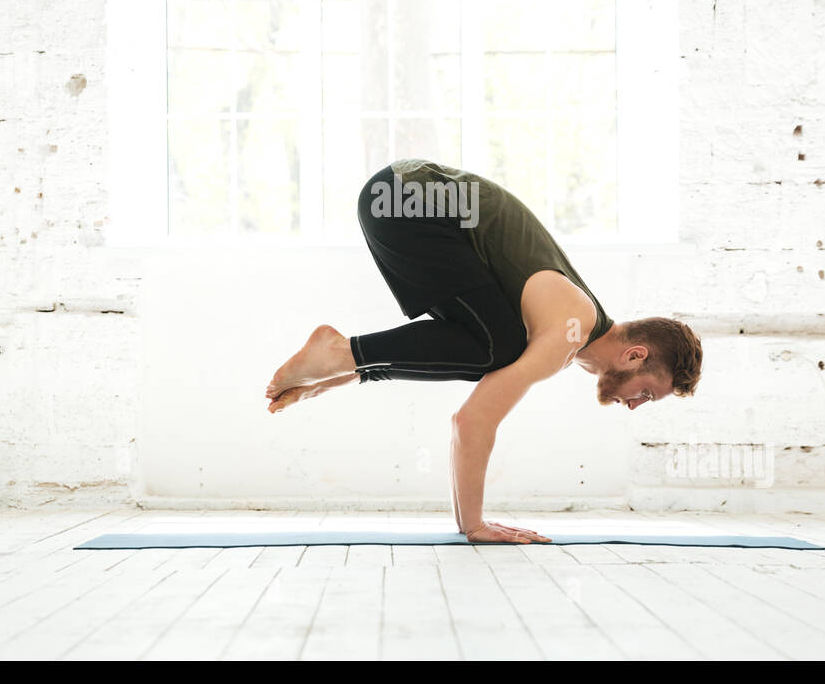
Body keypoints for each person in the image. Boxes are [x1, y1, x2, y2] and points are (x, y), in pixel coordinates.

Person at [264, 159, 702, 544]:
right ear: (635, 356)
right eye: (647, 392)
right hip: (408, 197)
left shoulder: (570, 326)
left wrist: (338, 380)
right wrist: (476, 525)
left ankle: (344, 364)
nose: (634, 405)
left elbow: (459, 379)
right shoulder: (570, 330)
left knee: (495, 344)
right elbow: (472, 421)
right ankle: (339, 351)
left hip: (398, 197)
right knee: (500, 349)